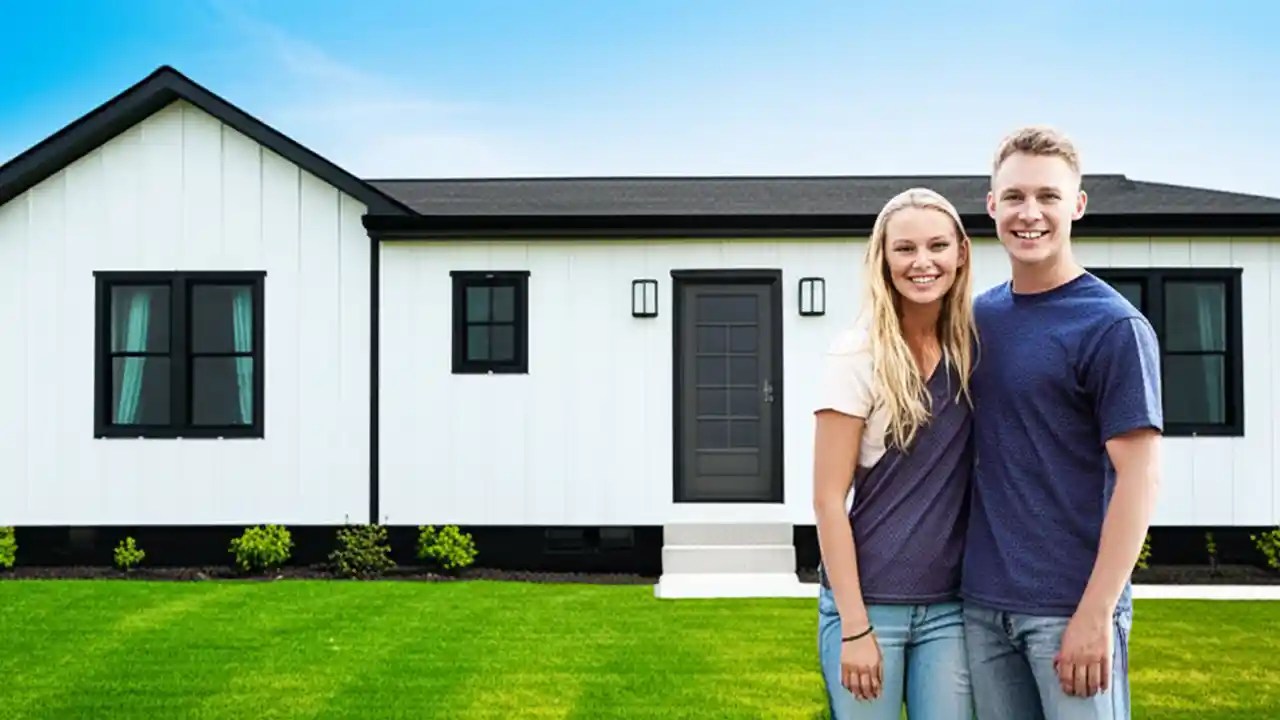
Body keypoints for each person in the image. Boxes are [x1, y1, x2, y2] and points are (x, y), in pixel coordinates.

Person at [960, 126, 1163, 720]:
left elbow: (1140, 480)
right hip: (981, 605)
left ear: (1077, 206)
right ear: (992, 205)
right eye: (1015, 197)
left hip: (1070, 609)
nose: (1031, 213)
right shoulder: (978, 319)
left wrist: (1097, 612)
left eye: (1048, 196)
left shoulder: (1112, 328)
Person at [812, 187, 978, 720]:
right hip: (868, 607)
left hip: (949, 609)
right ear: (882, 258)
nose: (922, 262)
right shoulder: (856, 353)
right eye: (904, 248)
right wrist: (856, 626)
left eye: (937, 246)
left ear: (961, 252)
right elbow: (827, 501)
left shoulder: (974, 350)